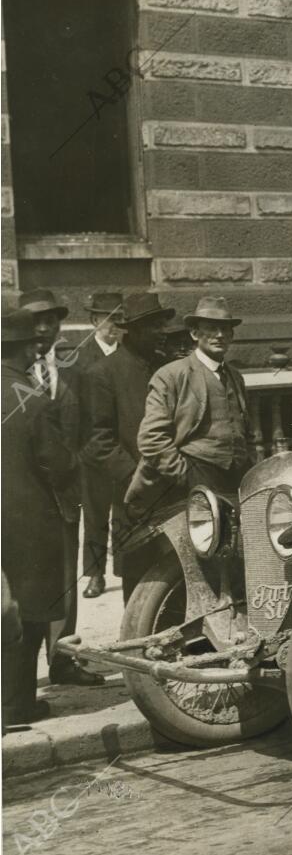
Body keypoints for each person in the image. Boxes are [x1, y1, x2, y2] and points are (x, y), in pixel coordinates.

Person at [17, 289, 103, 687]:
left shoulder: (75, 370)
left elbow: (89, 427)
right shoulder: (9, 373)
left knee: (65, 578)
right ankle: (19, 671)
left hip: (66, 492)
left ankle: (63, 659)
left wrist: (76, 472)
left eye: (50, 321)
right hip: (22, 497)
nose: (43, 329)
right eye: (35, 321)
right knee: (25, 582)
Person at [2, 309, 80, 724]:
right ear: (26, 349)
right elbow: (59, 464)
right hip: (27, 523)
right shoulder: (30, 399)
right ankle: (14, 706)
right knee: (29, 615)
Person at [83, 293, 176, 602]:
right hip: (133, 498)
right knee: (140, 590)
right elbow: (99, 440)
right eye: (154, 326)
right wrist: (137, 476)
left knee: (179, 578)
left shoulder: (169, 369)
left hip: (175, 493)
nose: (162, 331)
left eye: (163, 324)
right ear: (132, 330)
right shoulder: (104, 374)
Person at [127, 297, 254, 517]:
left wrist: (249, 462)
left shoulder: (235, 377)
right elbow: (151, 439)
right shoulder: (172, 376)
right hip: (196, 475)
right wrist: (183, 474)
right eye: (211, 328)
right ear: (194, 334)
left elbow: (247, 431)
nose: (220, 335)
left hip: (236, 476)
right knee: (202, 544)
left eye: (225, 329)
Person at [75, 293, 126, 599]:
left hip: (122, 452)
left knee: (123, 514)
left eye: (119, 320)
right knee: (94, 517)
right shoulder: (80, 359)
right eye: (108, 319)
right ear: (94, 321)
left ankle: (124, 567)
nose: (114, 327)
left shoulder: (128, 355)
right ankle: (95, 575)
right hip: (93, 452)